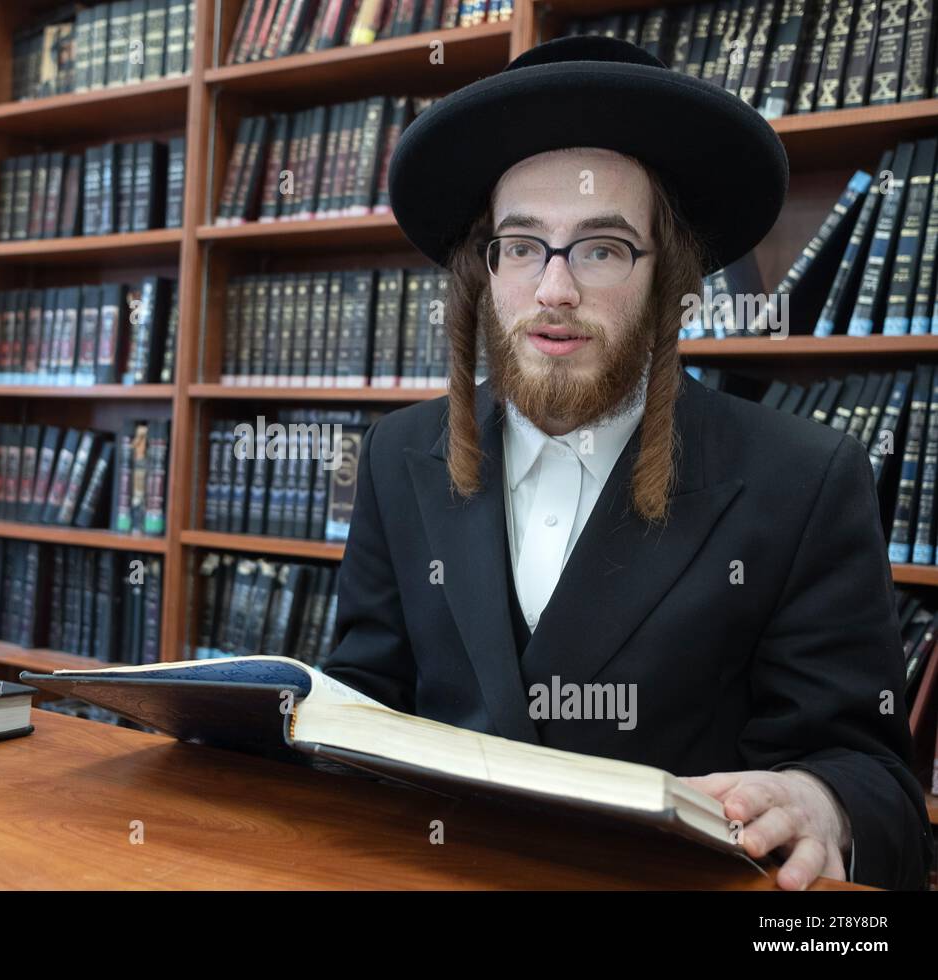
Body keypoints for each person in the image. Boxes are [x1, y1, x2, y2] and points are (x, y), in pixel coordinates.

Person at [321, 34, 935, 890]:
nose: (555, 291)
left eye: (602, 248)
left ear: (669, 279)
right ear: (486, 270)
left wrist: (818, 800)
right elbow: (362, 701)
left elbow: (878, 786)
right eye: (523, 245)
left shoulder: (805, 478)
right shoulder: (397, 454)